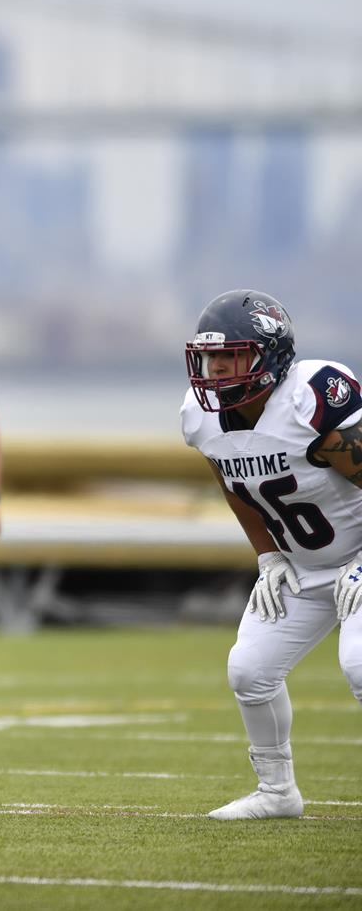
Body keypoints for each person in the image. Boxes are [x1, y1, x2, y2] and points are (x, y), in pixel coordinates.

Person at [181, 289, 362, 820]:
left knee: (359, 664)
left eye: (230, 358)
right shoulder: (203, 420)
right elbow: (234, 487)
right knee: (249, 670)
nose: (215, 371)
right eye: (209, 359)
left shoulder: (311, 400)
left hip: (359, 557)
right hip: (304, 567)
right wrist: (268, 556)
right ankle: (278, 792)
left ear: (271, 356)